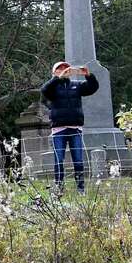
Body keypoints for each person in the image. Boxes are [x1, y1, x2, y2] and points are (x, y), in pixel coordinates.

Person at [41, 61, 99, 193]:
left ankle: (81, 189)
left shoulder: (76, 86)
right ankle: (59, 188)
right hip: (58, 130)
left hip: (75, 129)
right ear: (54, 72)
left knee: (78, 160)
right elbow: (44, 91)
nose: (63, 70)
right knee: (59, 160)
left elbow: (92, 88)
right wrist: (57, 78)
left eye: (66, 68)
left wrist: (89, 76)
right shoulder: (52, 88)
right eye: (59, 69)